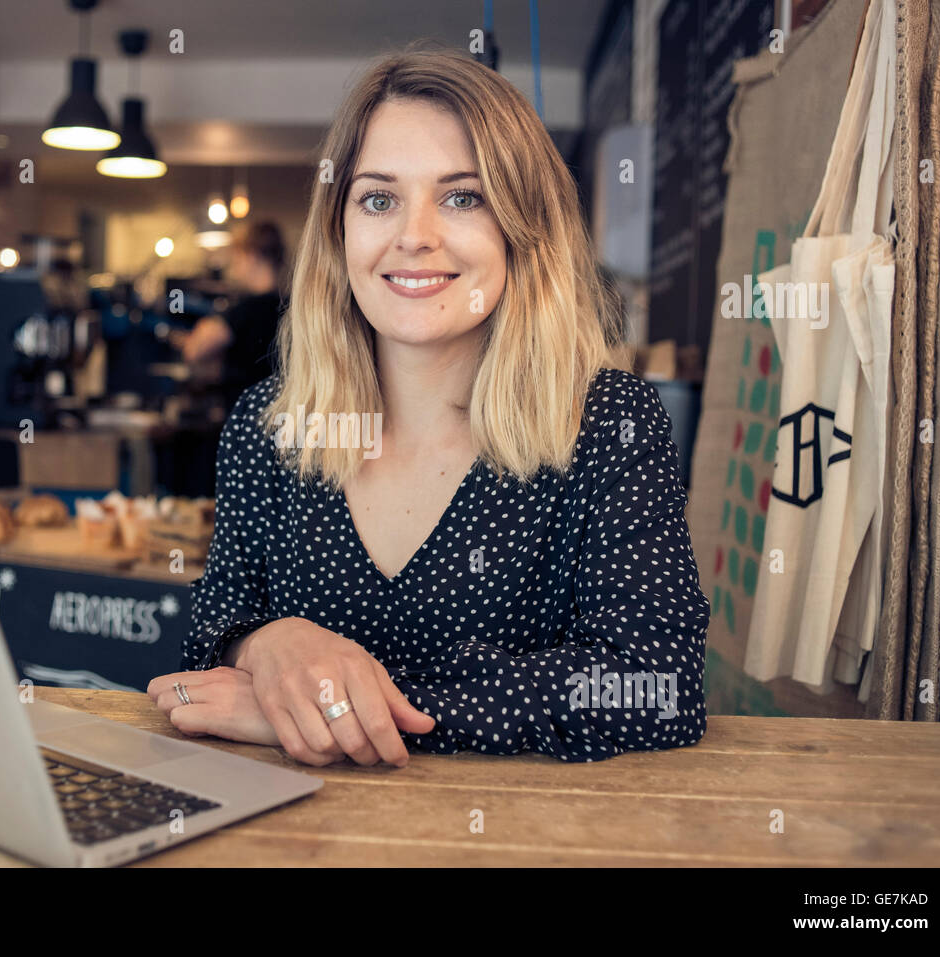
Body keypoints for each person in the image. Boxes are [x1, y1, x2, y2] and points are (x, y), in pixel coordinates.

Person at [147, 47, 710, 767]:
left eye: (462, 196)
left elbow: (654, 684)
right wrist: (266, 641)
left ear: (522, 226)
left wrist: (337, 711)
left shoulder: (609, 422)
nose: (415, 236)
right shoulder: (270, 427)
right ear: (339, 230)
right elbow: (209, 633)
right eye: (379, 198)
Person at [179, 221, 285, 411]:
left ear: (251, 257)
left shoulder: (245, 310)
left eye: (237, 260)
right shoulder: (292, 307)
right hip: (283, 418)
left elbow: (194, 351)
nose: (234, 269)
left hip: (247, 418)